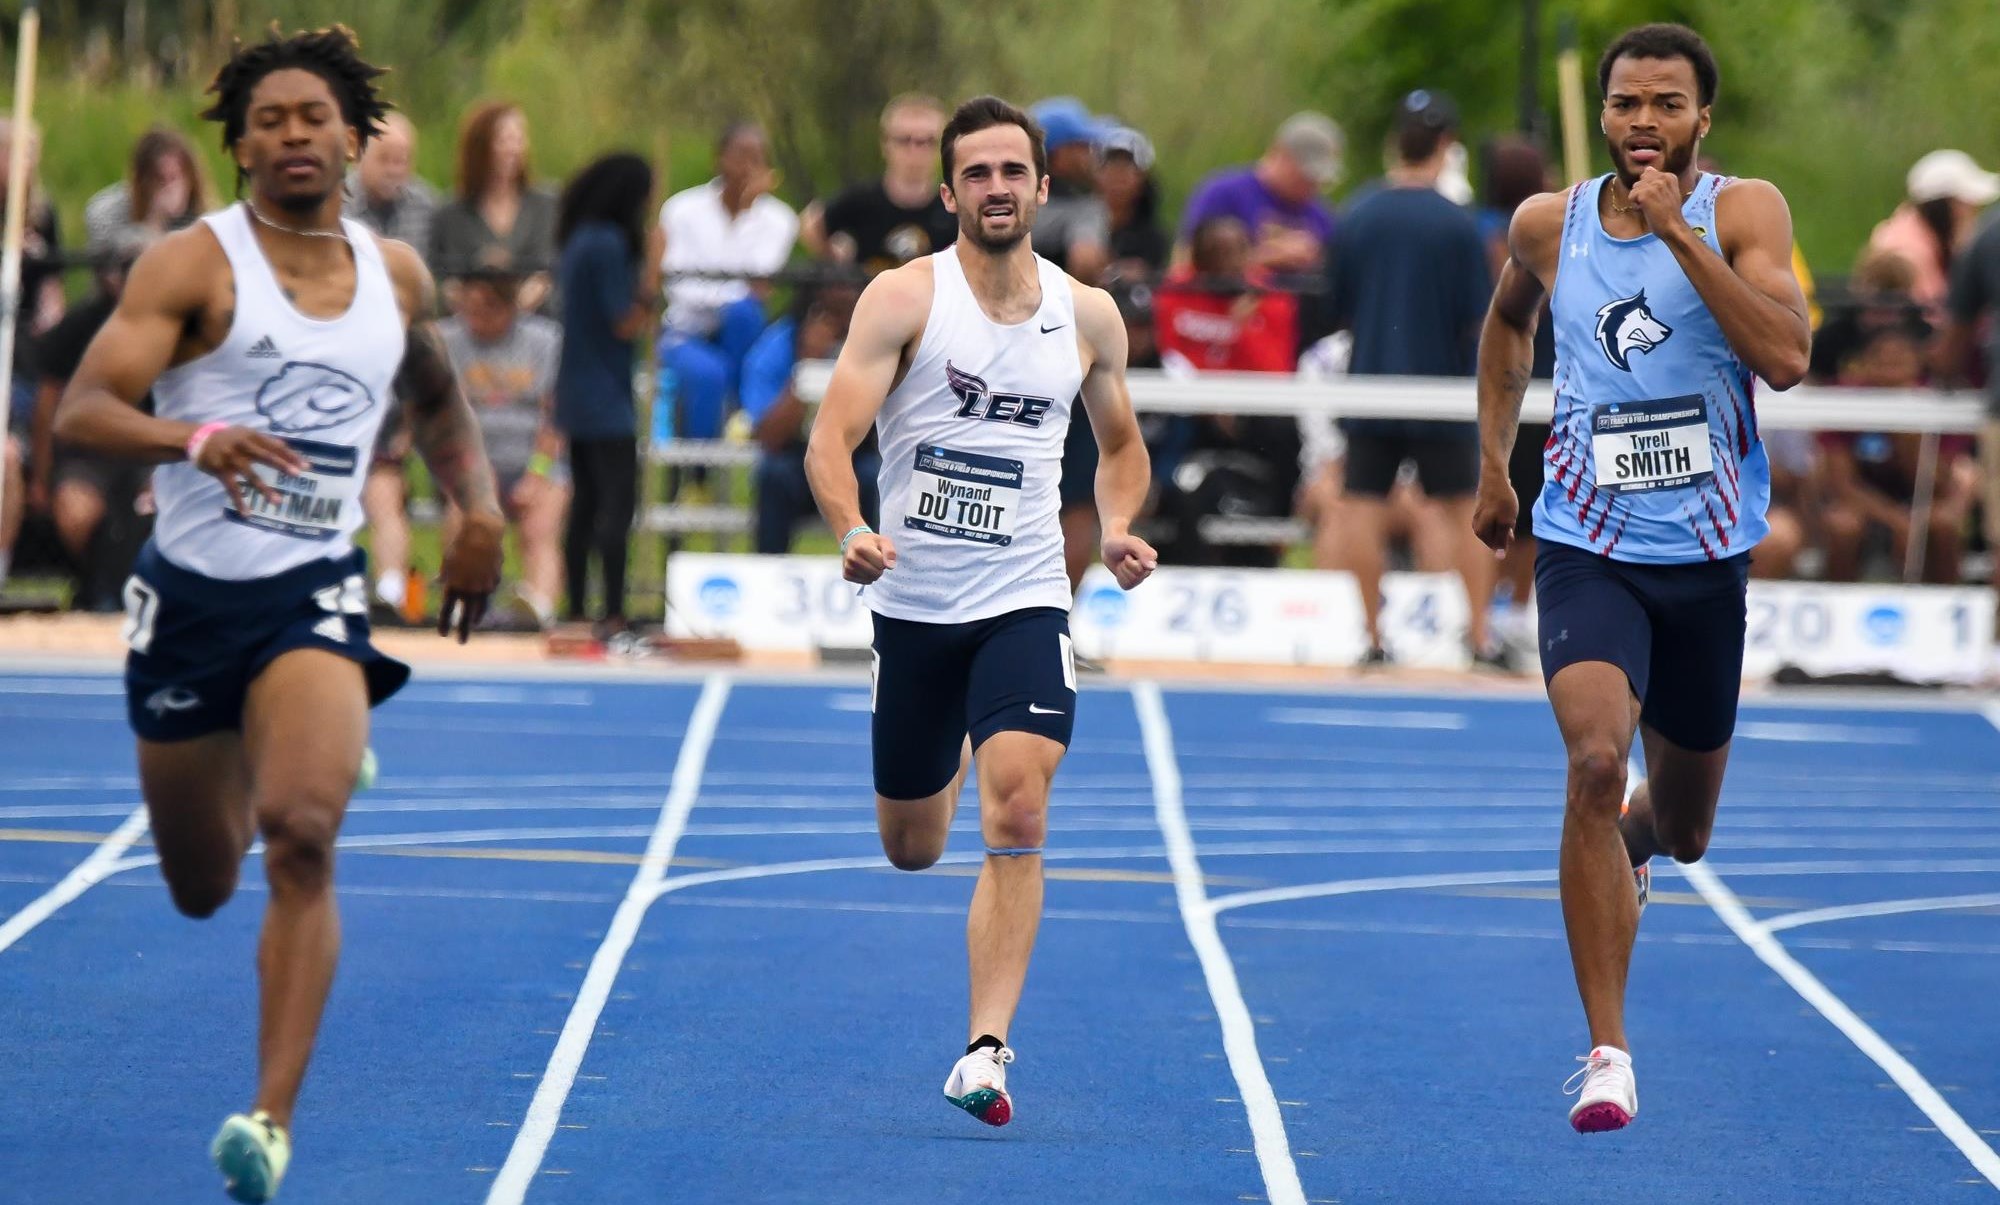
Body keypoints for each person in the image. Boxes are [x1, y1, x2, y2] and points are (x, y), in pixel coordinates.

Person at [52, 27, 505, 1201]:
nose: (294, 133)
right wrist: (191, 434)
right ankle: (278, 744)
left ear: (356, 139)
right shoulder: (190, 267)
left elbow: (440, 401)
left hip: (313, 585)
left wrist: (479, 510)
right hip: (190, 603)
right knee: (202, 881)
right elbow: (85, 410)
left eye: (316, 116)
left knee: (303, 835)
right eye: (270, 118)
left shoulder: (396, 276)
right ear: (240, 142)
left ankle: (268, 1120)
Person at [1472, 23, 1809, 1134]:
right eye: (1625, 104)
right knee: (1590, 757)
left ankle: (1634, 842)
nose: (1642, 124)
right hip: (1583, 544)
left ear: (1701, 118)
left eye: (1665, 104)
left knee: (1685, 822)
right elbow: (1505, 332)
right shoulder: (1545, 224)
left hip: (1704, 559)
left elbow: (1785, 357)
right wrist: (1492, 464)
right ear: (1604, 114)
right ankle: (1607, 1049)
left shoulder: (1743, 211)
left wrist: (1679, 238)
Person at [805, 95, 1156, 1127]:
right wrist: (847, 528)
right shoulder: (902, 300)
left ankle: (986, 1047)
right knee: (912, 845)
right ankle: (939, 735)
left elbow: (1122, 443)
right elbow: (831, 439)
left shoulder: (1085, 313)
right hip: (913, 604)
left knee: (1018, 804)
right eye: (979, 173)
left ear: (1044, 188)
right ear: (950, 190)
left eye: (1016, 171)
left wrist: (1122, 522)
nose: (998, 187)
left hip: (1024, 594)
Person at [1327, 90, 1501, 666]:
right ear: (1446, 146)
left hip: (1371, 377)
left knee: (1363, 506)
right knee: (1461, 509)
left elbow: (1339, 305)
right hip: (1439, 386)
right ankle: (1478, 637)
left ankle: (1373, 637)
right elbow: (1475, 317)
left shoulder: (1357, 214)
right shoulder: (1457, 226)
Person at [555, 153, 662, 631]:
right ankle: (613, 609)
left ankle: (577, 605)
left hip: (576, 389)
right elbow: (625, 321)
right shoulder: (608, 244)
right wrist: (654, 273)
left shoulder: (579, 239)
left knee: (584, 505)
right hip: (606, 395)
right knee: (615, 506)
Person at [655, 122, 797, 444]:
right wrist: (734, 292)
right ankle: (698, 478)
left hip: (741, 334)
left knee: (742, 313)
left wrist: (747, 213)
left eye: (758, 159)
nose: (748, 167)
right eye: (741, 156)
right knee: (708, 373)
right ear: (719, 159)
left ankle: (743, 417)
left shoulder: (779, 219)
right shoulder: (681, 210)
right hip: (686, 331)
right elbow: (678, 286)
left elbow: (760, 282)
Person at [440, 272, 568, 625]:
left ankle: (539, 608)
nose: (476, 319)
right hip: (474, 461)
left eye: (487, 310)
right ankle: (465, 600)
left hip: (536, 458)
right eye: (471, 309)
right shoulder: (447, 340)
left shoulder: (544, 340)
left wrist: (536, 474)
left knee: (540, 526)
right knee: (467, 515)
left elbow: (554, 418)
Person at [739, 282, 878, 552]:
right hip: (794, 459)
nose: (841, 325)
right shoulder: (779, 344)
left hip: (855, 459)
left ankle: (878, 575)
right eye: (831, 313)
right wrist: (807, 365)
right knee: (772, 475)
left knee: (877, 477)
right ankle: (770, 574)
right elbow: (769, 436)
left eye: (850, 312)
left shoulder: (873, 346)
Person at [801, 94, 956, 273]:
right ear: (885, 143)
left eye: (927, 141)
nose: (915, 151)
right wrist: (834, 261)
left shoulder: (953, 208)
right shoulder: (862, 200)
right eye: (904, 140)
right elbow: (810, 222)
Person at [1174, 111, 1341, 273]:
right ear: (1279, 153)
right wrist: (1269, 257)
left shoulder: (1321, 215)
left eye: (1319, 179)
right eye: (1305, 175)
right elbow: (1183, 267)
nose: (1313, 185)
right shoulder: (1222, 194)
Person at [431, 100, 558, 302]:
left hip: (538, 322)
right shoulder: (449, 214)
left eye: (518, 139)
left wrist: (532, 292)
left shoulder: (548, 205)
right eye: (503, 140)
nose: (512, 149)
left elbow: (556, 267)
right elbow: (439, 278)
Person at [83, 125, 212, 264]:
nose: (170, 189)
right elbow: (112, 273)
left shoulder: (204, 220)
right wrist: (155, 221)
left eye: (175, 178)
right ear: (143, 182)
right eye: (161, 180)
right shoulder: (106, 212)